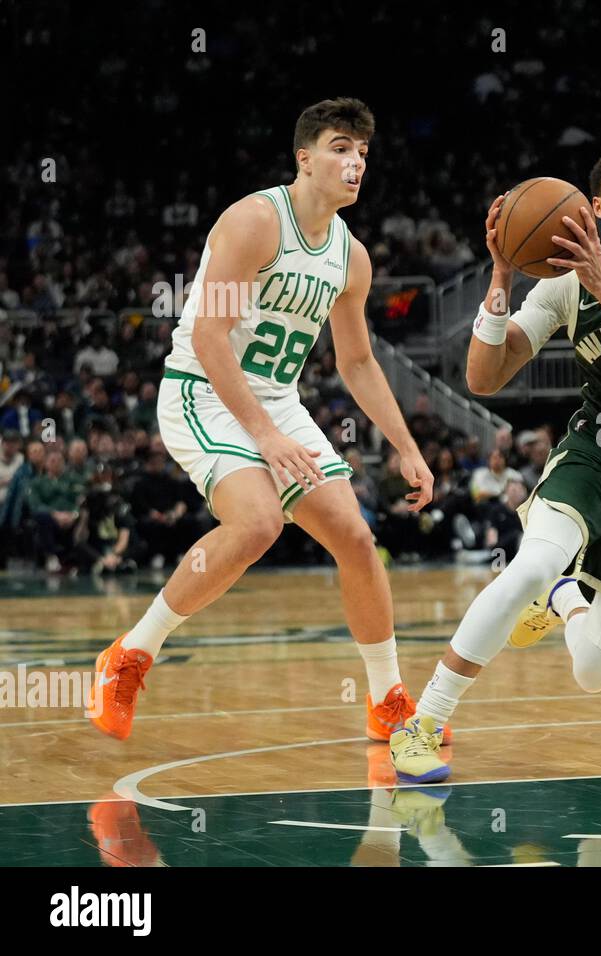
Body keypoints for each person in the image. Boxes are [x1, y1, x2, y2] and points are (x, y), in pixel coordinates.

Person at [89, 98, 436, 745]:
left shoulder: (351, 257)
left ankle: (387, 699)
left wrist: (405, 445)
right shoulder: (252, 221)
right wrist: (268, 439)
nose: (355, 162)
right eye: (340, 147)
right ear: (304, 158)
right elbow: (211, 335)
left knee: (357, 541)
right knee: (258, 521)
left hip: (275, 400)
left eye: (362, 152)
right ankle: (129, 656)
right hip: (202, 389)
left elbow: (357, 361)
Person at [390, 143, 601, 783]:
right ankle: (426, 723)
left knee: (594, 671)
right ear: (596, 208)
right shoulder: (565, 282)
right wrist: (500, 278)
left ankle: (567, 597)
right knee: (533, 561)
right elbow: (484, 377)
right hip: (598, 448)